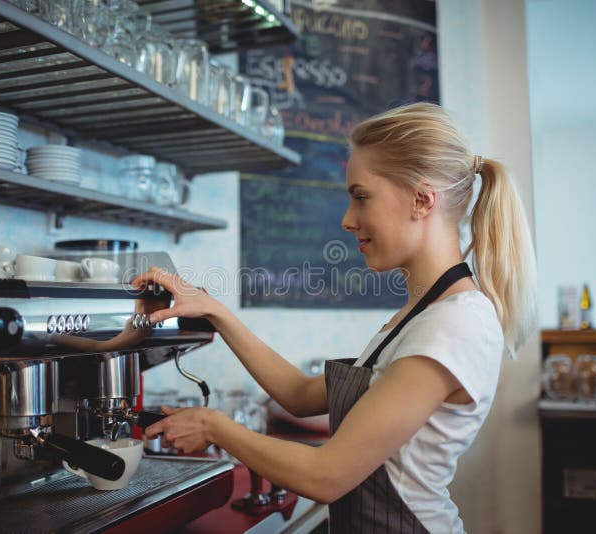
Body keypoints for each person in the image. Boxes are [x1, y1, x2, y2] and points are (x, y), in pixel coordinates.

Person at [135, 102, 536, 533]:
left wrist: (213, 425)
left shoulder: (455, 325)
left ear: (422, 200)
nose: (347, 220)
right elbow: (300, 394)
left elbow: (326, 474)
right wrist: (216, 313)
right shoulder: (425, 314)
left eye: (361, 197)